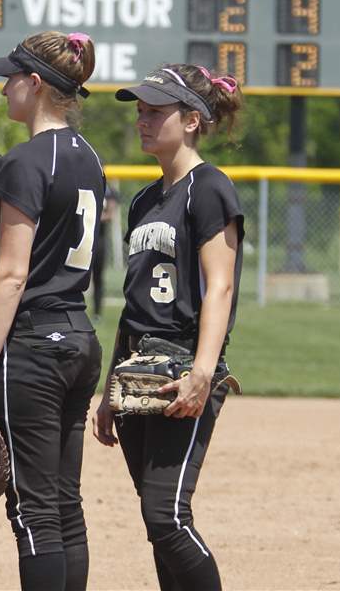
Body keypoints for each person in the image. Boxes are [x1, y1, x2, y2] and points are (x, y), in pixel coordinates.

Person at [92, 64, 245, 590]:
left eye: (156, 111)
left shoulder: (210, 188)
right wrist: (110, 388)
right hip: (138, 369)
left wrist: (203, 371)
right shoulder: (143, 200)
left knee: (166, 515)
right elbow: (133, 305)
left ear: (192, 120)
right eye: (141, 110)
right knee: (156, 518)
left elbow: (219, 286)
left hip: (183, 366)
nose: (143, 120)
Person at [0, 31, 105, 591]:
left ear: (35, 83)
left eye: (10, 78)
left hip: (32, 347)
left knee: (33, 510)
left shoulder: (25, 161)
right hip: (78, 336)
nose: (4, 89)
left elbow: (12, 274)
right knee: (65, 504)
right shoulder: (91, 157)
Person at [91, 183, 119, 320]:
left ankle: (97, 313)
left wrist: (92, 215)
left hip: (99, 241)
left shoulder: (109, 190)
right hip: (83, 240)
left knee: (98, 278)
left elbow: (110, 214)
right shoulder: (87, 183)